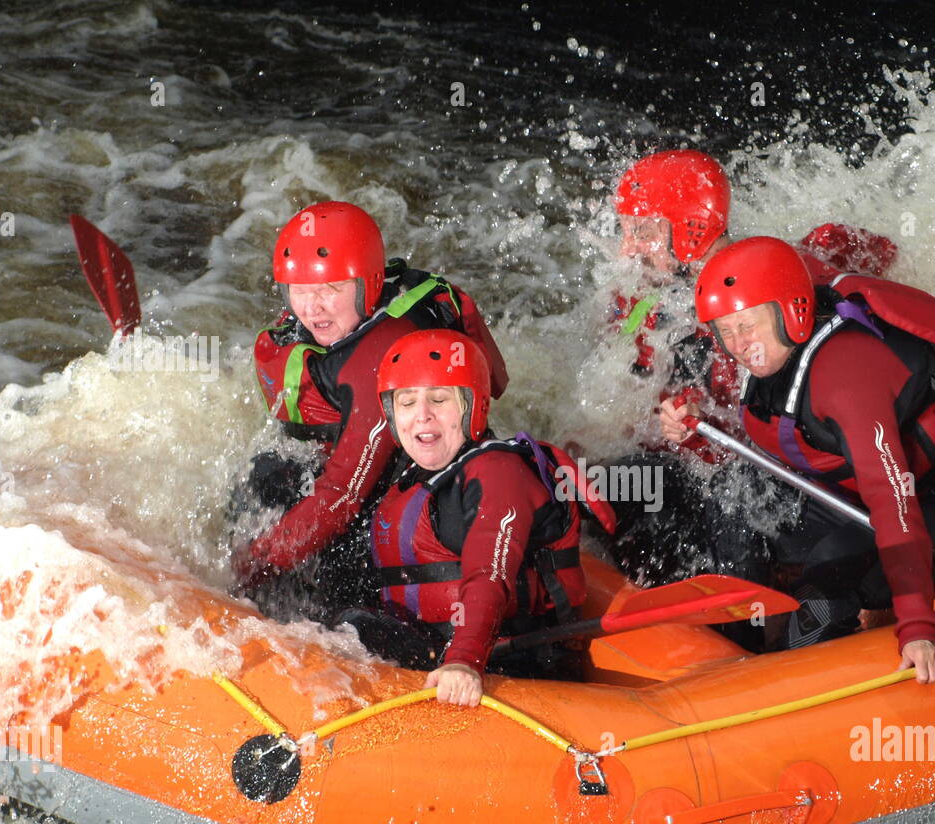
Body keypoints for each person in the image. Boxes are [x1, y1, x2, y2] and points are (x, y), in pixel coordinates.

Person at [661, 236, 935, 684]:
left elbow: (893, 500)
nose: (739, 344)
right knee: (734, 494)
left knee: (828, 573)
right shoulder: (772, 357)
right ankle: (740, 652)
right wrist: (699, 436)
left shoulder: (845, 379)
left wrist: (917, 626)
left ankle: (790, 683)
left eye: (747, 326)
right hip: (867, 490)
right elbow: (792, 445)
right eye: (725, 331)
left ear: (791, 312)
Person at [606, 149, 899, 588]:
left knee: (734, 489)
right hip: (737, 475)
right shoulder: (657, 306)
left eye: (643, 230)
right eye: (626, 231)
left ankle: (748, 632)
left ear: (690, 231)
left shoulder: (784, 286)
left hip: (816, 492)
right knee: (612, 481)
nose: (627, 249)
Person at [231, 201, 508, 618]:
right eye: (299, 291)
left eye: (330, 289)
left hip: (422, 517)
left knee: (268, 484)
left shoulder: (378, 356)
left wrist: (254, 563)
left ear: (370, 282)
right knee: (271, 468)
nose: (311, 308)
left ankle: (301, 620)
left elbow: (341, 499)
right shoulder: (394, 300)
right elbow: (498, 380)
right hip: (430, 474)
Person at [344, 329, 616, 706]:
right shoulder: (414, 474)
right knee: (343, 619)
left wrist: (465, 660)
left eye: (439, 400)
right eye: (406, 403)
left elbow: (491, 575)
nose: (421, 416)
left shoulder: (498, 471)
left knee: (352, 628)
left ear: (474, 406)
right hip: (430, 640)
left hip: (513, 661)